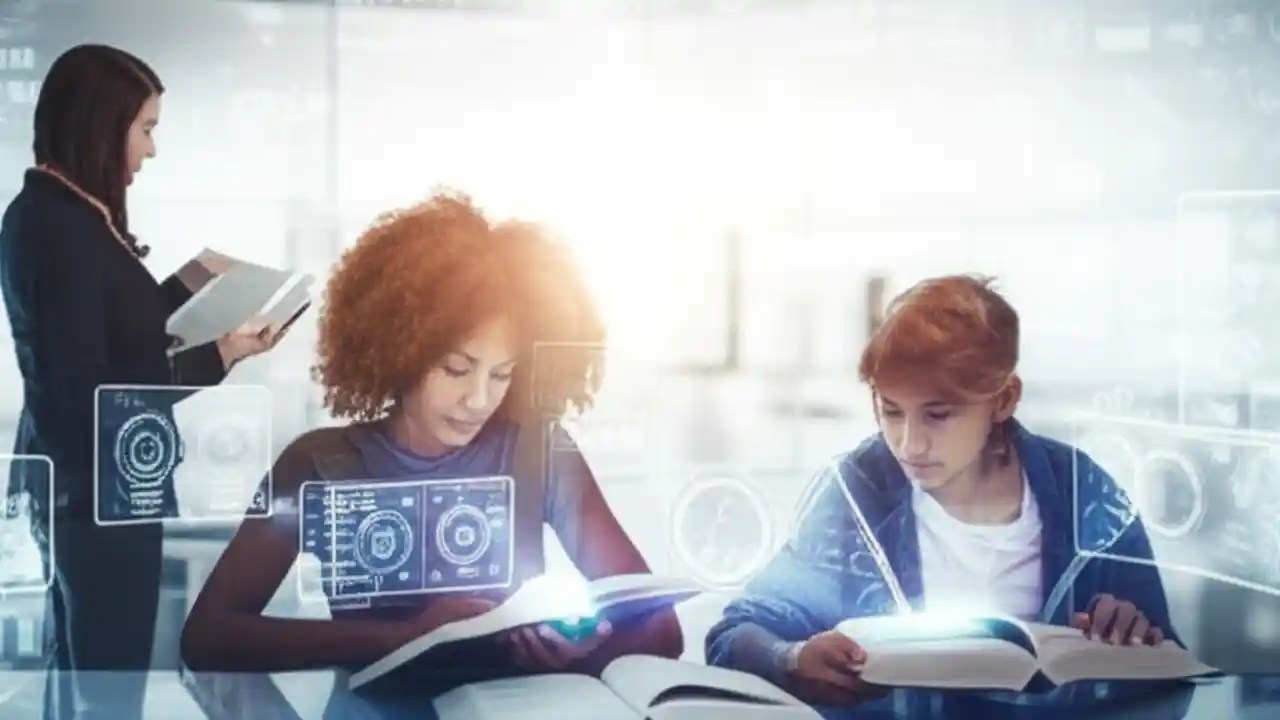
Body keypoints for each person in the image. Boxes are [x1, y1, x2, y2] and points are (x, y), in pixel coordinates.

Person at [180, 192, 683, 700]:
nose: (478, 398)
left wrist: (578, 652)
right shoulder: (320, 466)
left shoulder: (539, 450)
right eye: (456, 369)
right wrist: (400, 637)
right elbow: (208, 637)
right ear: (400, 351)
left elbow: (662, 631)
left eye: (502, 374)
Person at [705, 275, 1176, 709]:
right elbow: (733, 634)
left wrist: (1134, 639)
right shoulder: (856, 496)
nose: (910, 444)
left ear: (1004, 400)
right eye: (891, 412)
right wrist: (791, 659)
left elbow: (1171, 673)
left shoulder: (1085, 494)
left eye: (938, 415)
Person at [0, 45, 284, 719]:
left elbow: (114, 335)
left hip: (91, 487)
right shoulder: (62, 228)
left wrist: (196, 278)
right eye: (146, 129)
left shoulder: (63, 216)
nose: (151, 151)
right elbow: (97, 389)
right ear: (102, 125)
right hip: (97, 495)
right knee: (104, 687)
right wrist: (221, 356)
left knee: (85, 678)